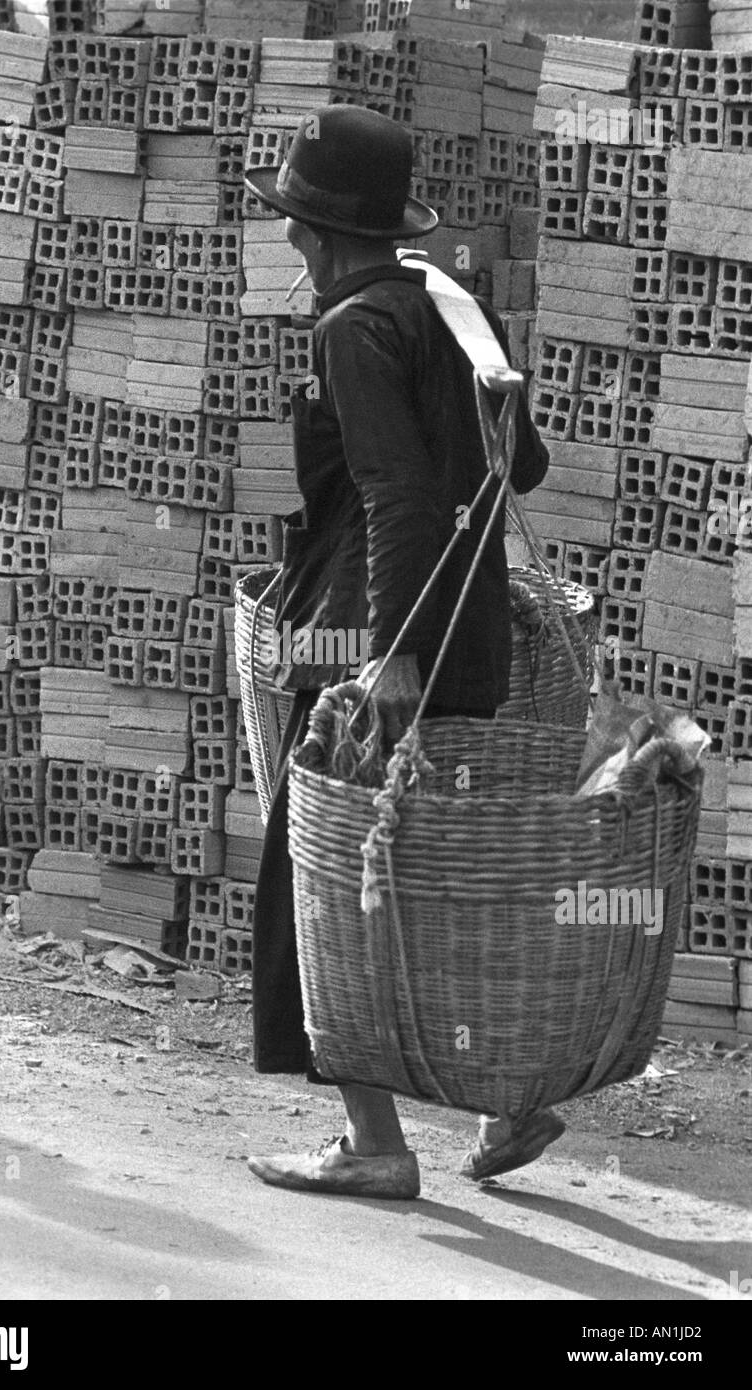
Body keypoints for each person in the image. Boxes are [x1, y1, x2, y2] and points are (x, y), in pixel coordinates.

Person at [243, 105, 557, 1200]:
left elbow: (392, 497)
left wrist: (387, 659)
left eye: (293, 223)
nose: (287, 243)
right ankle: (516, 1093)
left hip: (366, 644)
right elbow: (521, 467)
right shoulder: (456, 308)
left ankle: (374, 1141)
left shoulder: (348, 329)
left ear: (322, 235)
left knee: (320, 882)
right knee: (435, 877)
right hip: (471, 635)